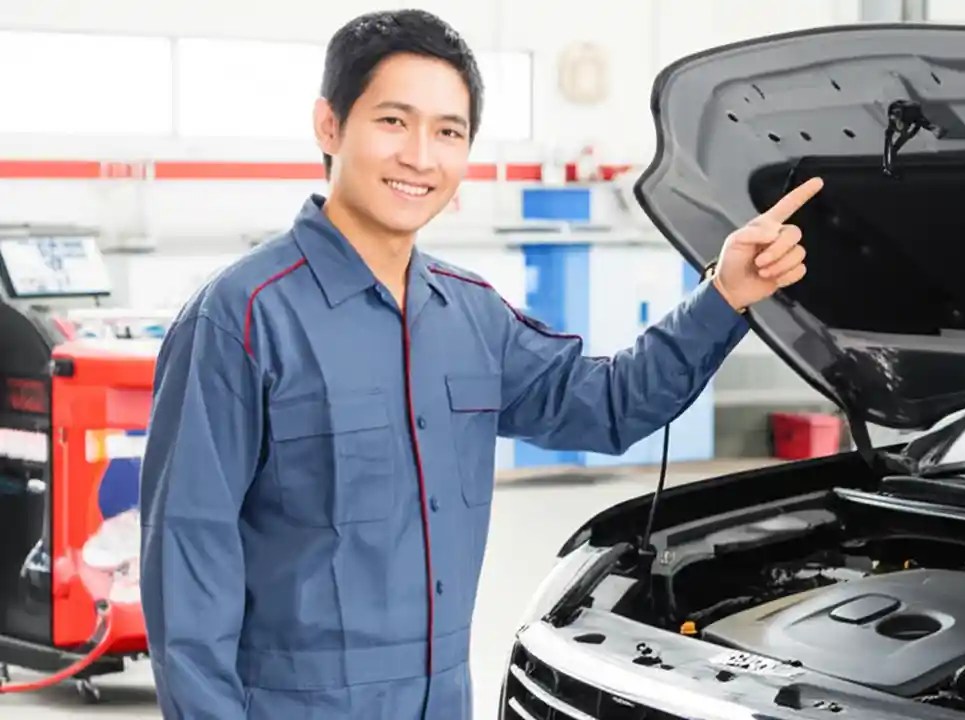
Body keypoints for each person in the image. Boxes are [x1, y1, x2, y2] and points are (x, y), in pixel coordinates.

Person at [138, 8, 822, 719]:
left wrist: (725, 295)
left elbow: (614, 404)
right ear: (329, 126)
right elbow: (187, 571)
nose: (421, 157)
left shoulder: (470, 316)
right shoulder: (243, 317)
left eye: (449, 132)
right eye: (393, 122)